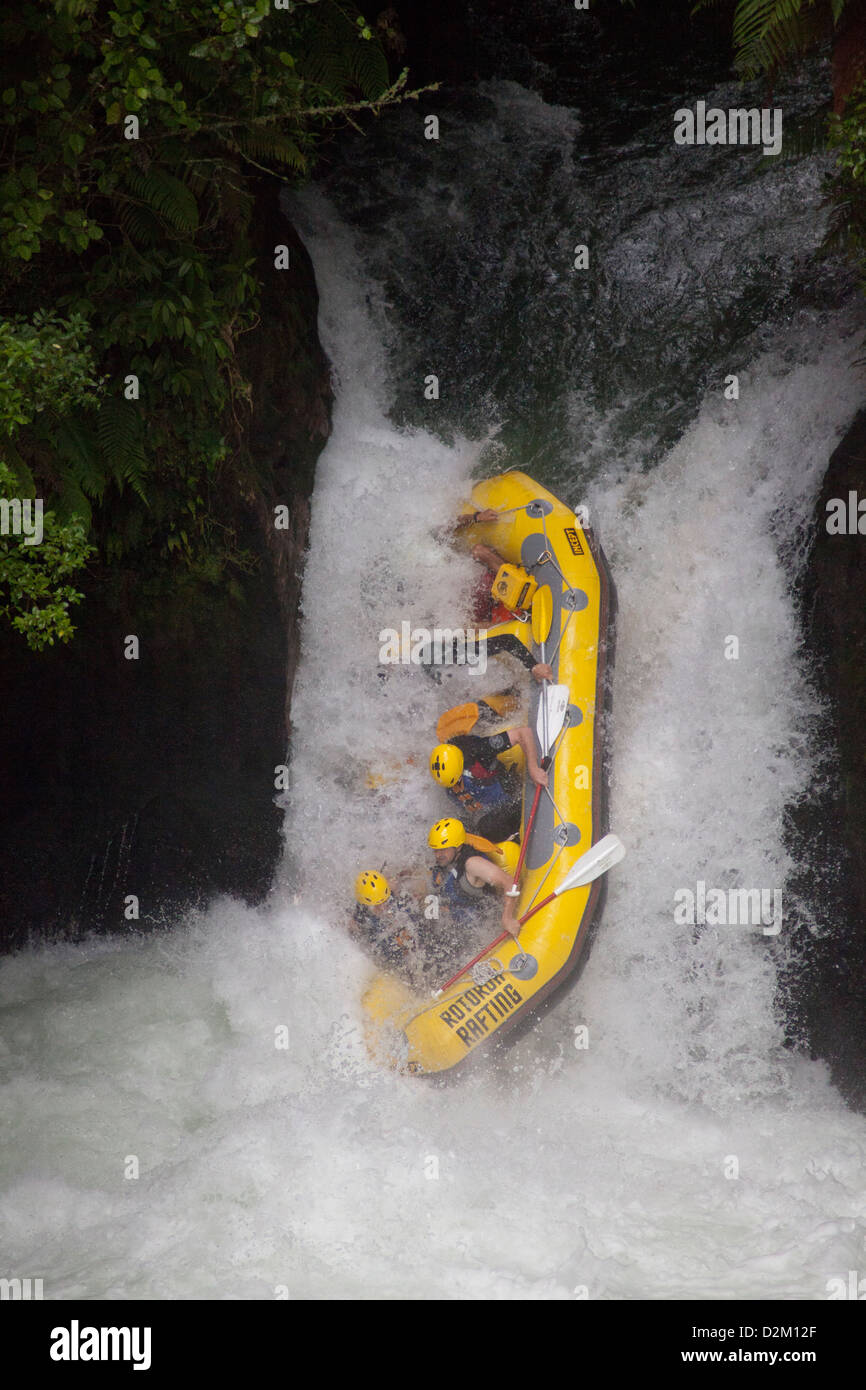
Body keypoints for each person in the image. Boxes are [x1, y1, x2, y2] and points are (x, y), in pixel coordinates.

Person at [428, 723, 547, 841]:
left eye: (456, 781)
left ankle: (516, 836)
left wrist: (533, 768)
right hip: (485, 804)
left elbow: (523, 732)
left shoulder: (480, 750)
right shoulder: (445, 776)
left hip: (510, 796)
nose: (454, 786)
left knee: (487, 828)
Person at [427, 817, 520, 937]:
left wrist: (507, 917)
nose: (438, 855)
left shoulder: (473, 864)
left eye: (443, 850)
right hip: (456, 921)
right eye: (435, 850)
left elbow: (510, 882)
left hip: (478, 925)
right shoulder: (447, 860)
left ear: (458, 847)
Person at [351, 870, 418, 971]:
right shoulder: (362, 920)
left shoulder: (390, 893)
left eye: (385, 901)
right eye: (377, 905)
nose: (383, 907)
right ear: (367, 906)